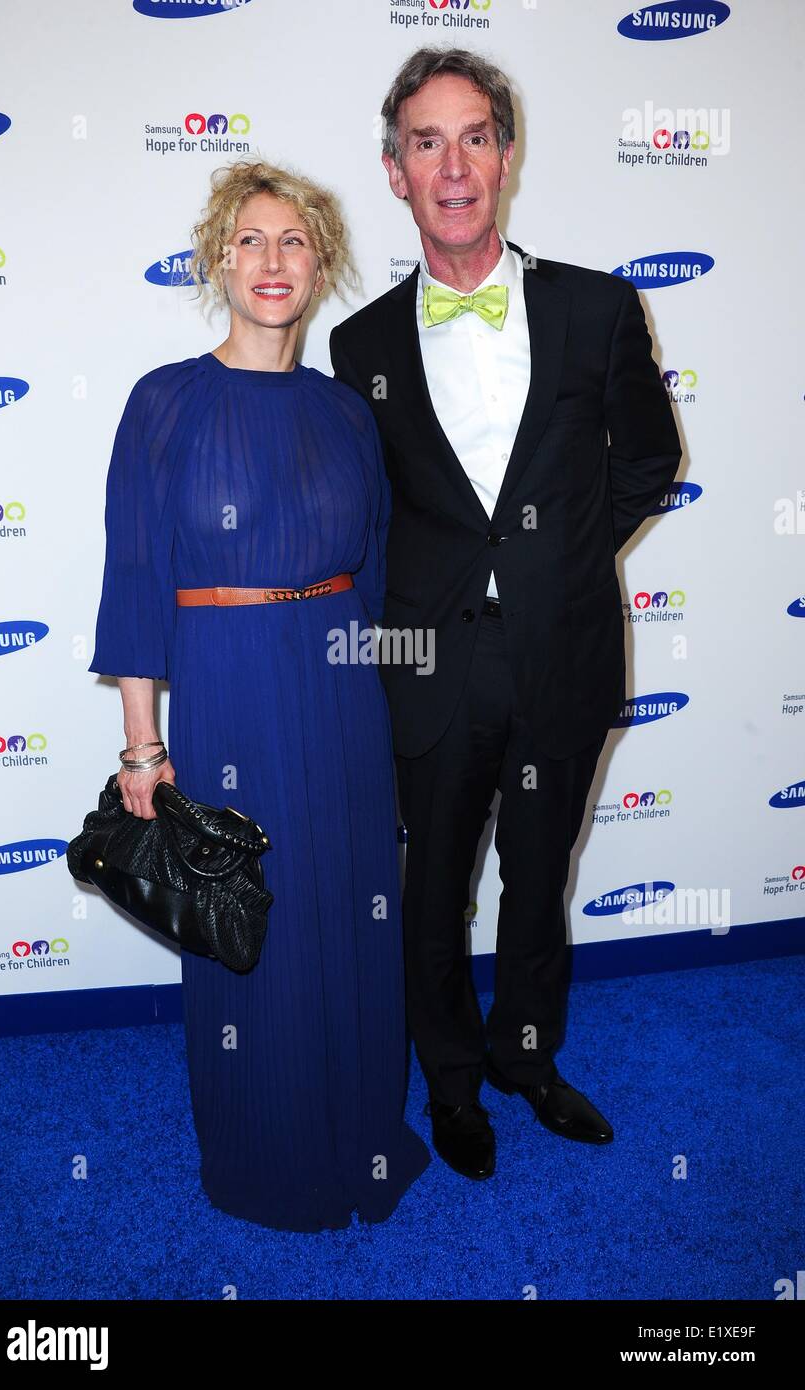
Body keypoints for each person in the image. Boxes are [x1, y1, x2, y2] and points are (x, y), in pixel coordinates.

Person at [329, 48, 682, 1180]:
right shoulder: (361, 346)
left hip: (558, 653)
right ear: (393, 172)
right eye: (423, 142)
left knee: (539, 873)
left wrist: (561, 568)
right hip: (429, 664)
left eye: (472, 135)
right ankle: (448, 1082)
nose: (452, 164)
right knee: (431, 886)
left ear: (506, 153)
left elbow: (648, 461)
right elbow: (373, 516)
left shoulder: (594, 307)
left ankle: (525, 1057)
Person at [87, 158, 430, 1231]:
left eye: (293, 240)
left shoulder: (343, 412)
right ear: (216, 261)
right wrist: (142, 744)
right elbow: (136, 578)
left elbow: (372, 573)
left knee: (350, 911)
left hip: (338, 689)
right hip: (228, 683)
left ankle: (362, 1137)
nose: (271, 260)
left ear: (319, 262)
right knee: (252, 918)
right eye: (249, 240)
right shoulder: (164, 400)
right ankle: (267, 1158)